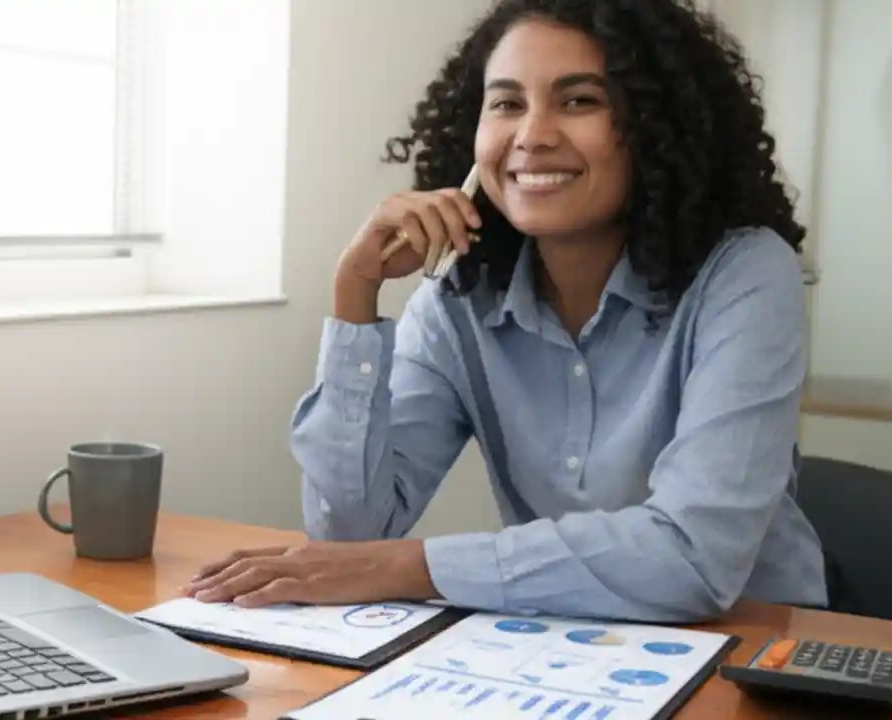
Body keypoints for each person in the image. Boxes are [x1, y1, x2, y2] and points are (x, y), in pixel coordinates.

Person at [181, 0, 827, 622]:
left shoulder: (746, 273)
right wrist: (355, 294)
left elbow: (692, 558)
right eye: (507, 104)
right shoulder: (462, 297)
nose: (533, 136)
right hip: (574, 645)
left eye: (579, 101)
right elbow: (350, 535)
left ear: (657, 127)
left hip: (758, 647)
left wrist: (411, 567)